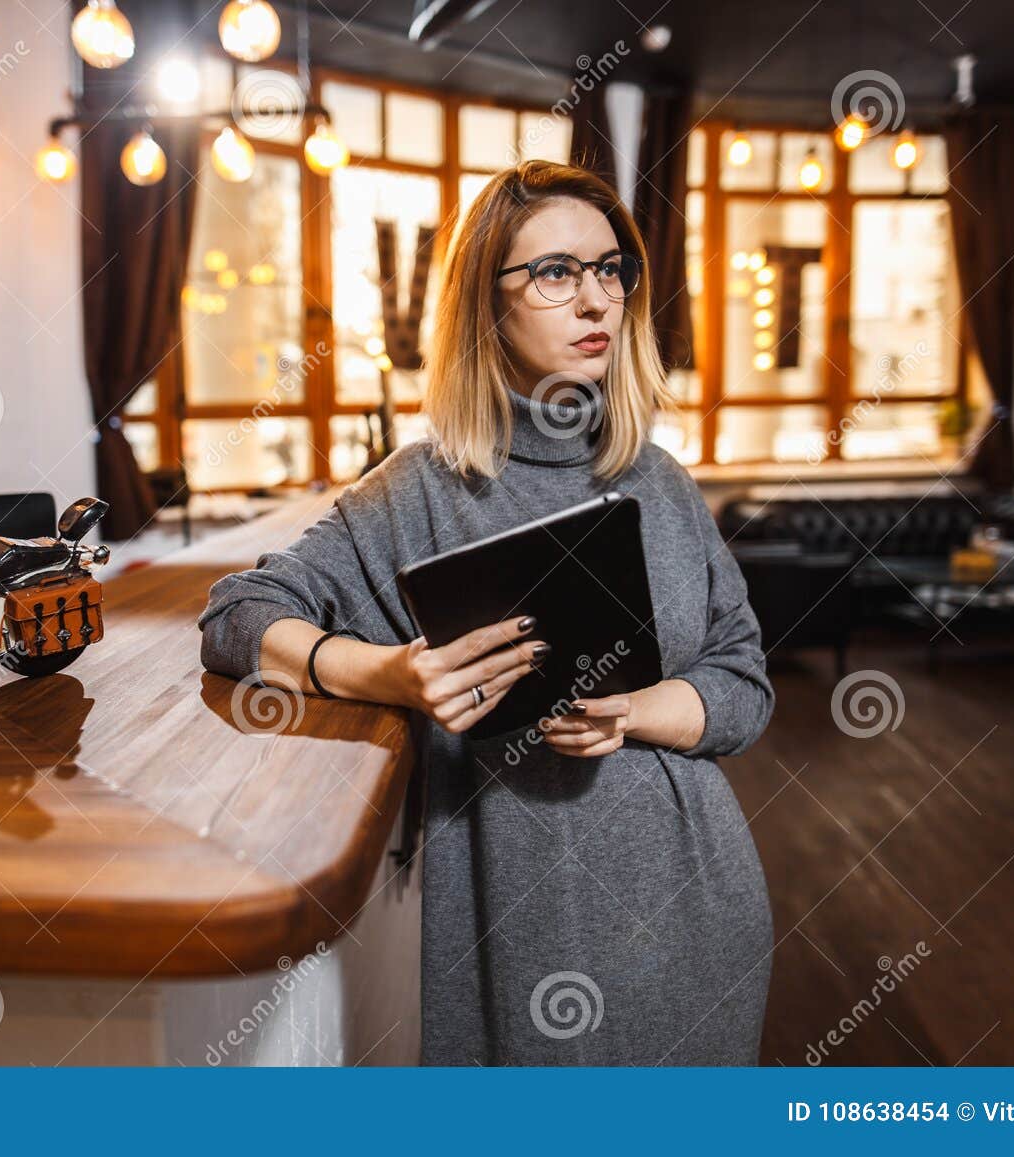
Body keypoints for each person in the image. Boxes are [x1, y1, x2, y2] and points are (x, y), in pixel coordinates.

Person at [197, 160, 774, 1065]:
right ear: (484, 302)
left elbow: (742, 682)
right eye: (555, 272)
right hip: (515, 923)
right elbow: (238, 613)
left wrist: (631, 711)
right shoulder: (415, 493)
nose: (595, 301)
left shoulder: (660, 483)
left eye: (609, 268)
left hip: (696, 908)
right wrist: (388, 671)